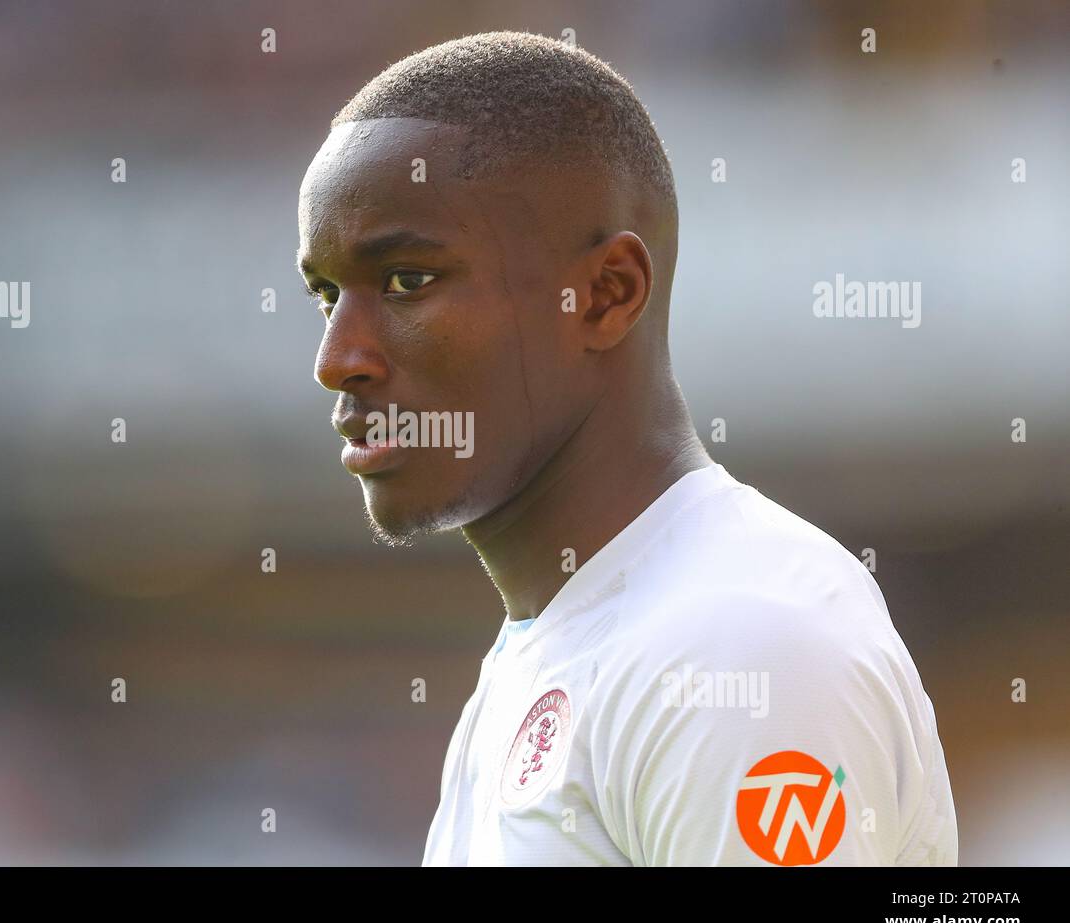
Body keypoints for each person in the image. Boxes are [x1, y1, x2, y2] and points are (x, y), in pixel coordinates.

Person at [295, 31, 957, 866]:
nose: (336, 360)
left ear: (606, 295)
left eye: (406, 282)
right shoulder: (554, 645)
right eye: (326, 297)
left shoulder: (737, 643)